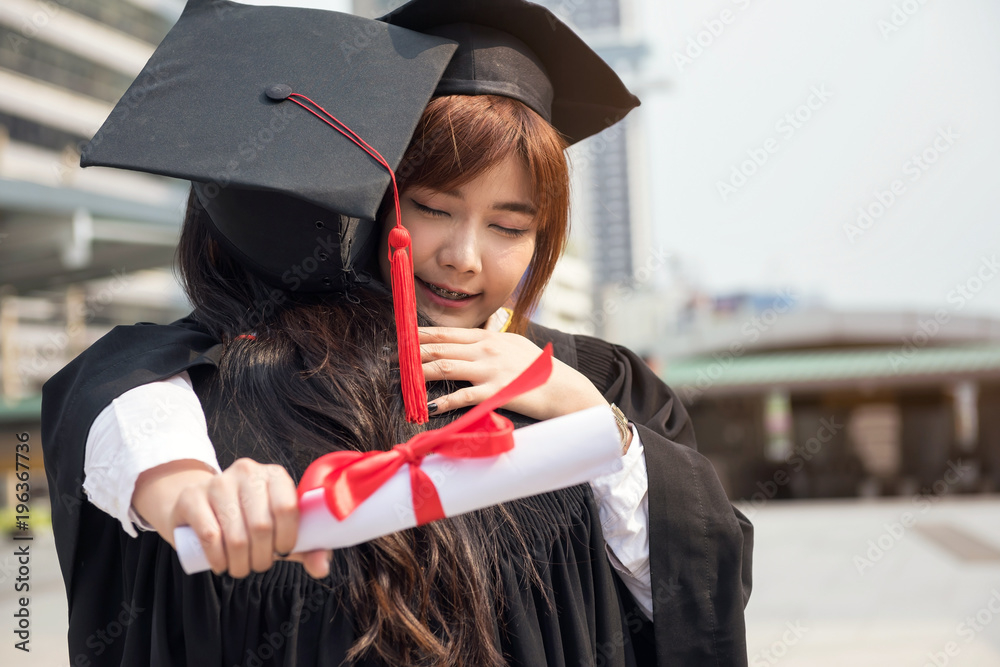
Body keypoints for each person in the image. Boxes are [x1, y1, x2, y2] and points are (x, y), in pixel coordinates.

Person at [42, 0, 752, 664]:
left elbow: (697, 593)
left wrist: (589, 417)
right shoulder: (243, 378)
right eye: (434, 208)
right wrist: (185, 487)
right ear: (377, 204)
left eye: (509, 225)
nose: (463, 256)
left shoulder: (602, 378)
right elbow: (128, 395)